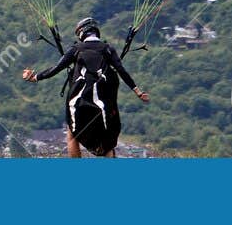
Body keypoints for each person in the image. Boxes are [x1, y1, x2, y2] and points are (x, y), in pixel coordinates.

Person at [22, 17, 148, 157]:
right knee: (106, 144)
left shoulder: (76, 49)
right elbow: (121, 71)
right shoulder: (107, 49)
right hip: (103, 105)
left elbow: (56, 68)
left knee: (72, 135)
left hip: (80, 103)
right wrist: (138, 91)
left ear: (82, 32)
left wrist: (35, 77)